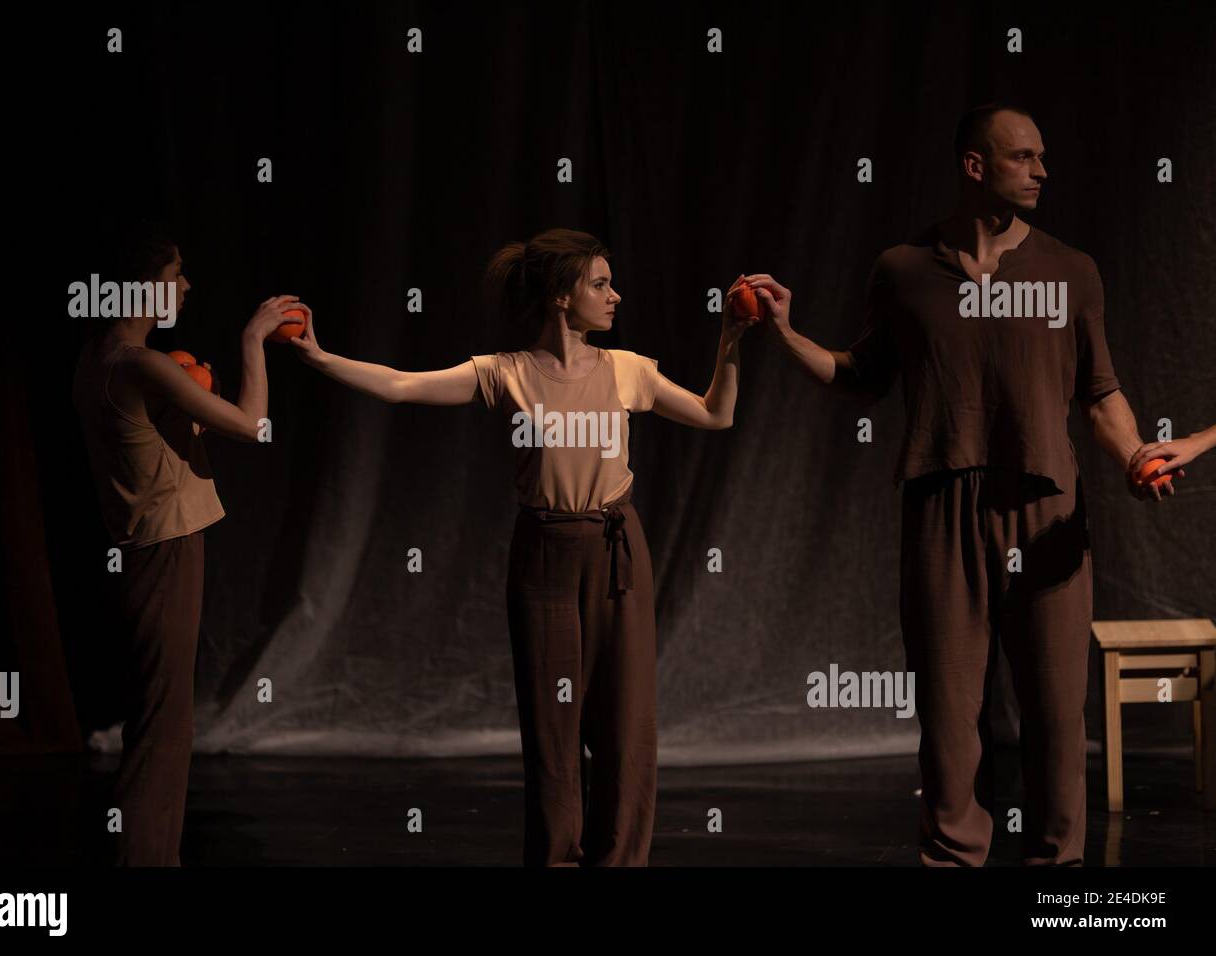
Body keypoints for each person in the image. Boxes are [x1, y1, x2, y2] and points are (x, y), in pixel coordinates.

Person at [746, 105, 1179, 866]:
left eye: (1043, 157)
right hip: (942, 507)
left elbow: (1100, 392)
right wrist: (784, 332)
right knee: (948, 719)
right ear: (975, 167)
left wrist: (1137, 456)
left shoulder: (1072, 270)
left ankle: (1059, 876)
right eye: (1024, 157)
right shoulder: (905, 269)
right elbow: (860, 375)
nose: (1042, 171)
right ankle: (952, 856)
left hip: (1046, 510)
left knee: (1053, 717)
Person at [288, 227, 755, 865]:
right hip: (545, 558)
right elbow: (401, 384)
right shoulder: (506, 374)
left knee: (624, 727)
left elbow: (715, 415)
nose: (615, 295)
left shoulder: (628, 370)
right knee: (552, 731)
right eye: (599, 283)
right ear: (562, 297)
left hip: (617, 553)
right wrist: (319, 358)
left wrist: (730, 340)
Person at [72, 225, 307, 865]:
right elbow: (253, 426)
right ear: (146, 285)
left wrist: (185, 405)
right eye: (176, 274)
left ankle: (155, 856)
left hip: (143, 547)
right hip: (165, 546)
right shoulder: (140, 365)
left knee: (161, 716)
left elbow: (144, 443)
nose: (186, 285)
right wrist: (253, 340)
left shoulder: (99, 360)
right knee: (163, 724)